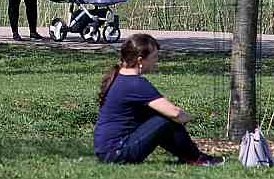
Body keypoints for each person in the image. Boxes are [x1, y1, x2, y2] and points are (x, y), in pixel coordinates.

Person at [94, 34, 224, 166]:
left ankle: (190, 156)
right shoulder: (135, 84)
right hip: (117, 152)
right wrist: (190, 118)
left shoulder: (120, 77)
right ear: (140, 60)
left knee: (159, 117)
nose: (156, 61)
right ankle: (197, 158)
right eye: (154, 57)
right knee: (166, 119)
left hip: (107, 152)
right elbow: (175, 113)